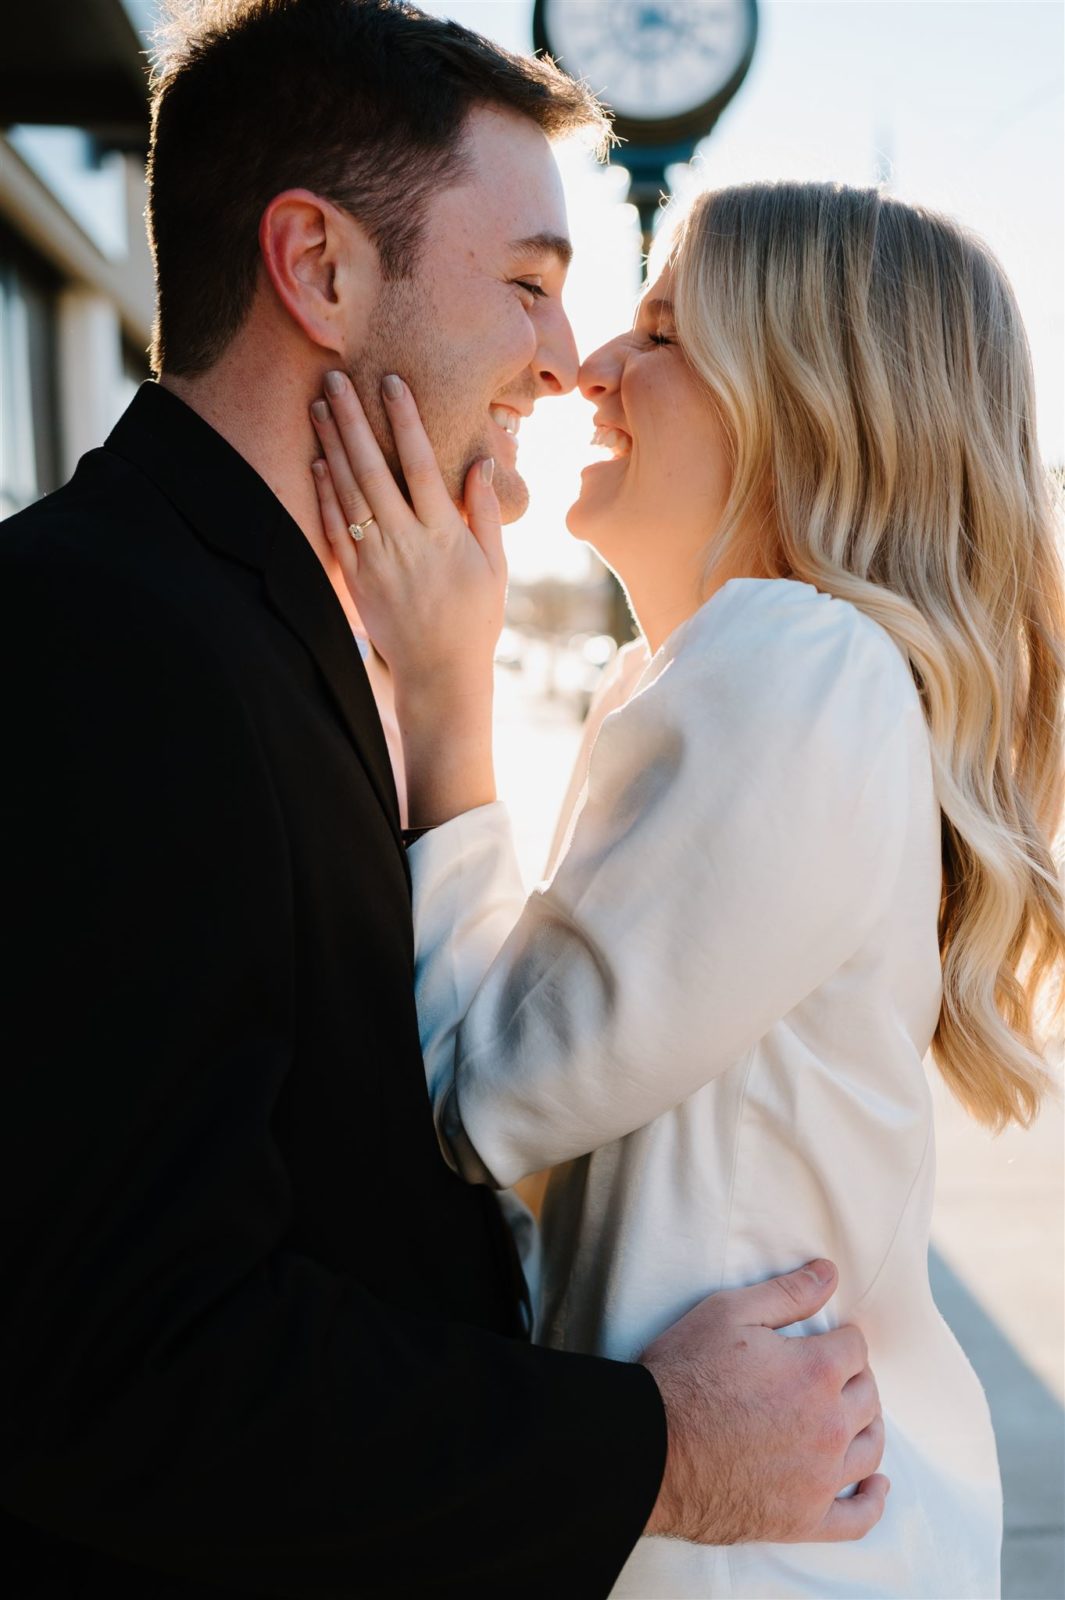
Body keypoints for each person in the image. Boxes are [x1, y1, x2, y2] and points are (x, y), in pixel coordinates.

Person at [0, 5, 888, 1596]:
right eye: (530, 285)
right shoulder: (101, 643)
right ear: (320, 271)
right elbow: (124, 1363)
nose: (564, 362)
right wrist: (661, 1447)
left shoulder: (239, 627)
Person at [310, 180, 1065, 1598]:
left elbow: (490, 1093)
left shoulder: (798, 666)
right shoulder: (726, 681)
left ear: (807, 409)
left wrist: (445, 687)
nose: (590, 366)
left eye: (658, 330)